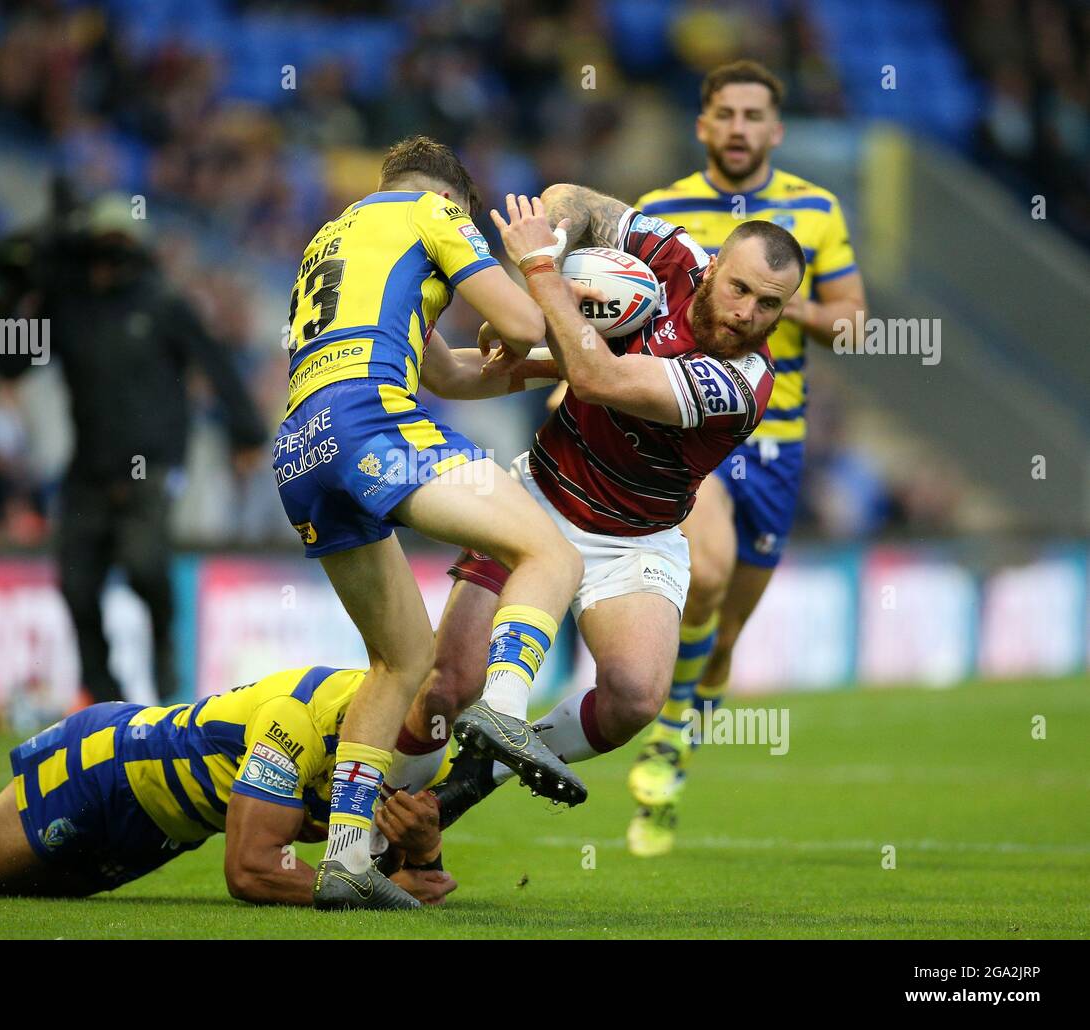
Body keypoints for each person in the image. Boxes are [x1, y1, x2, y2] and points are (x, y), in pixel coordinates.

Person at [389, 190, 802, 836]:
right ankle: (371, 829)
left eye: (770, 304)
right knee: (449, 684)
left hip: (636, 537)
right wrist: (549, 253)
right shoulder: (675, 255)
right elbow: (567, 199)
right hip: (541, 497)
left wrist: (540, 279)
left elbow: (596, 379)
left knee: (636, 697)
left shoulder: (744, 382)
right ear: (716, 264)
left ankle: (464, 790)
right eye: (741, 288)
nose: (748, 313)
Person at [275, 136, 585, 909]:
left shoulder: (333, 236)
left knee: (398, 662)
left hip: (302, 448)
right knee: (546, 551)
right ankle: (506, 709)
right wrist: (538, 277)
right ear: (456, 202)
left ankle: (346, 858)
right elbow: (521, 321)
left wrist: (577, 367)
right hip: (372, 422)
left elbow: (447, 371)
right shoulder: (433, 213)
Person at [628, 60, 865, 855]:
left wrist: (764, 292)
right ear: (702, 125)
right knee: (712, 567)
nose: (737, 127)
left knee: (726, 635)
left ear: (776, 129)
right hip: (693, 421)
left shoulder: (817, 209)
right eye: (723, 112)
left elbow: (852, 323)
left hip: (779, 439)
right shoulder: (660, 210)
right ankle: (657, 728)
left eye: (752, 114)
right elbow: (626, 314)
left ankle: (674, 752)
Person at [0, 665, 454, 907]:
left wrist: (420, 851)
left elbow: (393, 869)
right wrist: (376, 892)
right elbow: (252, 869)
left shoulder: (414, 745)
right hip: (105, 772)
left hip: (155, 830)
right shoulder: (300, 717)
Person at [0, 195, 268, 705]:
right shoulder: (67, 305)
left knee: (144, 566)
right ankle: (104, 694)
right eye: (100, 249)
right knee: (76, 586)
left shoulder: (162, 303)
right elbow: (9, 365)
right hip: (87, 470)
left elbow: (216, 363)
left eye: (117, 248)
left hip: (152, 468)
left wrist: (246, 432)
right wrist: (10, 299)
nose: (107, 263)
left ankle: (164, 670)